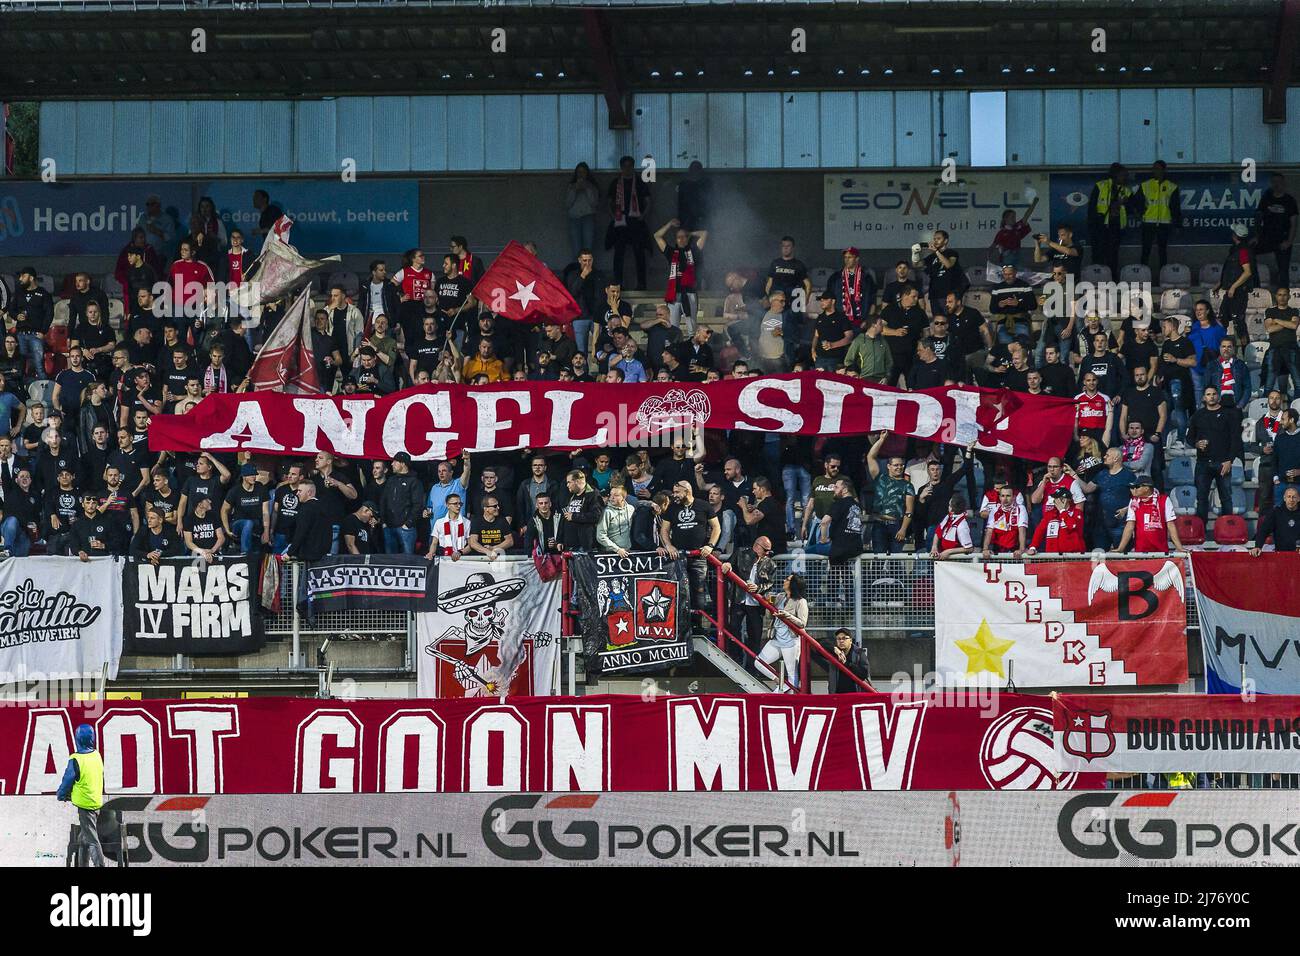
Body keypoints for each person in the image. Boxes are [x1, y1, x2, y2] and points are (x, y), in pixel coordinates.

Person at [659, 479, 720, 616]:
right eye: (673, 492)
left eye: (677, 492)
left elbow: (716, 527)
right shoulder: (672, 508)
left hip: (698, 556)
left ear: (687, 491)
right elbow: (664, 530)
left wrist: (710, 546)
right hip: (678, 557)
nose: (674, 495)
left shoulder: (703, 505)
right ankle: (681, 628)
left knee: (698, 592)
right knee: (678, 591)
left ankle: (697, 627)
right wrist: (669, 546)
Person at [1187, 386, 1243, 522]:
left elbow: (1235, 439)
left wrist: (1230, 460)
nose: (1211, 397)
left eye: (1213, 394)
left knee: (1226, 497)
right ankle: (1201, 531)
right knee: (1201, 498)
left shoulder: (1228, 414)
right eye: (1208, 394)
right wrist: (1196, 443)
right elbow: (1189, 437)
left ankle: (1227, 529)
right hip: (1203, 463)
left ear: (1218, 396)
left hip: (1223, 462)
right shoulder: (1198, 415)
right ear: (1204, 397)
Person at [719, 534, 774, 667]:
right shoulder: (741, 552)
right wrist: (727, 564)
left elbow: (770, 583)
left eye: (769, 551)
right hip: (739, 599)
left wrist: (758, 588)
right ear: (756, 546)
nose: (767, 553)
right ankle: (735, 659)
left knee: (755, 635)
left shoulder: (770, 563)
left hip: (755, 604)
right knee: (734, 629)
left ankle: (752, 666)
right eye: (765, 550)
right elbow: (729, 564)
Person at [56, 723, 106, 867]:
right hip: (96, 802)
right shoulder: (96, 755)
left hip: (85, 806)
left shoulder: (76, 759)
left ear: (77, 739)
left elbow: (67, 780)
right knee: (83, 838)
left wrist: (61, 794)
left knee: (91, 840)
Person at [754, 573, 807, 692]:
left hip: (791, 640)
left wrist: (787, 616)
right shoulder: (780, 596)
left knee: (792, 672)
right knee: (759, 662)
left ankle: (787, 696)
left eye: (787, 579)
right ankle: (780, 682)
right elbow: (770, 617)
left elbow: (802, 623)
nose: (784, 580)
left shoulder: (801, 601)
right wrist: (769, 606)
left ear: (793, 584)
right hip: (776, 638)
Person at [865, 432, 915, 554]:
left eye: (901, 465)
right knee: (878, 558)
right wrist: (882, 439)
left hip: (896, 525)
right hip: (879, 524)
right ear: (888, 466)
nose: (899, 467)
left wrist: (903, 529)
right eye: (896, 465)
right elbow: (870, 457)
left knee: (895, 560)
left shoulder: (907, 485)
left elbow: (909, 510)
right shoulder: (880, 478)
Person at [607, 155, 651, 290]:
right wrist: (613, 216)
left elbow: (648, 201)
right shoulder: (615, 183)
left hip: (636, 221)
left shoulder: (639, 182)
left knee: (639, 252)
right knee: (619, 253)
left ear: (633, 167)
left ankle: (641, 284)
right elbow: (609, 202)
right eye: (624, 166)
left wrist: (643, 216)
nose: (627, 169)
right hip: (620, 222)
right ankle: (618, 283)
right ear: (621, 168)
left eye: (629, 166)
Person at [1212, 223, 1255, 347]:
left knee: (1238, 323)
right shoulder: (1235, 250)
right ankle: (1220, 349)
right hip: (1231, 292)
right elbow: (1231, 272)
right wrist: (1219, 284)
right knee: (1222, 320)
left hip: (1239, 293)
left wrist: (1233, 287)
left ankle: (1246, 351)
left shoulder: (1243, 251)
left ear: (1236, 235)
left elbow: (1247, 272)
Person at [1087, 163, 1133, 278]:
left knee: (1113, 254)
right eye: (1122, 176)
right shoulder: (1101, 186)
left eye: (1125, 176)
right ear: (1115, 175)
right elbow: (1092, 207)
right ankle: (1096, 277)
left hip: (1115, 226)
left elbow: (1132, 209)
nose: (1125, 178)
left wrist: (1127, 203)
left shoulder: (1126, 191)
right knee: (1098, 253)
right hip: (1100, 226)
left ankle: (1112, 278)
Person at [1117, 476, 1183, 553]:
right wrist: (1120, 549)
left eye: (1137, 487)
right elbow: (1129, 526)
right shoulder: (1133, 501)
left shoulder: (1164, 500)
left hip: (1161, 551)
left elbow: (1170, 525)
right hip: (1140, 552)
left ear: (1146, 488)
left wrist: (1179, 547)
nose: (1134, 490)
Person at [1136, 160, 1180, 274]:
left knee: (1162, 251)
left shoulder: (1172, 186)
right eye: (1154, 168)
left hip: (1164, 223)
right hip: (1148, 222)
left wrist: (1177, 224)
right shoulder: (1145, 185)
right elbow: (1137, 202)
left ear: (1164, 170)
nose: (1156, 171)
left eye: (1159, 168)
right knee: (1146, 250)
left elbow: (1175, 206)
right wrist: (1141, 213)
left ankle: (1163, 275)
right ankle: (1142, 275)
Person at [1254, 172, 1298, 284]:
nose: (1276, 185)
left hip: (1282, 239)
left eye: (1279, 182)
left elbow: (1294, 223)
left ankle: (1284, 293)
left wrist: (1289, 241)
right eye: (1274, 182)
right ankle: (1255, 285)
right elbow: (1258, 218)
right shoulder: (1266, 197)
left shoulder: (1289, 201)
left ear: (1283, 183)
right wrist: (1256, 236)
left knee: (1283, 269)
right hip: (1266, 237)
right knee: (1248, 252)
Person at [380, 451, 424, 554]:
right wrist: (383, 522)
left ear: (403, 463)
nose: (392, 464)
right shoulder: (390, 480)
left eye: (395, 462)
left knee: (407, 561)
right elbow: (383, 501)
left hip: (406, 529)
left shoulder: (414, 482)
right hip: (389, 527)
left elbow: (418, 505)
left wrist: (408, 523)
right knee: (390, 561)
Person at [221, 464, 270, 553]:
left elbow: (265, 512)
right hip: (238, 524)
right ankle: (245, 554)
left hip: (256, 524)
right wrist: (227, 529)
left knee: (251, 525)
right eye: (251, 475)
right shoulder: (235, 490)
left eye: (255, 475)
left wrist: (266, 531)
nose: (254, 477)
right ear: (244, 476)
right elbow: (224, 510)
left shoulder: (261, 488)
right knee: (248, 523)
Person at [1027, 488, 1087, 554]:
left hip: (1073, 556)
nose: (1056, 501)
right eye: (1055, 498)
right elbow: (1039, 531)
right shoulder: (1050, 515)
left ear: (1067, 499)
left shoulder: (1076, 513)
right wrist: (1033, 547)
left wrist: (1062, 511)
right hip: (1053, 557)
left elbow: (1072, 526)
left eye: (1059, 498)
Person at [1263, 286, 1299, 397]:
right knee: (1270, 379)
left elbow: (1293, 326)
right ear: (1275, 296)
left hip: (1291, 348)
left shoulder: (1294, 310)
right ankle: (1265, 404)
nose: (1282, 297)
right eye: (1279, 295)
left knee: (1297, 378)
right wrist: (1287, 323)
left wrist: (1277, 320)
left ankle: (1297, 404)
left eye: (1284, 295)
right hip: (1275, 348)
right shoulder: (1270, 311)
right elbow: (1269, 329)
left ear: (1288, 297)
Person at [558, 469, 602, 553]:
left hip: (585, 547)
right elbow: (564, 517)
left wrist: (574, 516)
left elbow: (596, 515)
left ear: (577, 481)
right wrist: (560, 540)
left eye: (569, 482)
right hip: (569, 546)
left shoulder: (593, 494)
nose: (567, 485)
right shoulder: (570, 495)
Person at [566, 162, 600, 261]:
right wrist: (574, 190)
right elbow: (568, 204)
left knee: (588, 249)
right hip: (574, 219)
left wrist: (587, 189)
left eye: (583, 172)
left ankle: (587, 273)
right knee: (576, 249)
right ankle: (577, 272)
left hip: (588, 218)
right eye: (579, 172)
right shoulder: (571, 186)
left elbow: (594, 203)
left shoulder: (592, 186)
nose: (581, 174)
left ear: (587, 174)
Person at [981, 486, 1028, 558]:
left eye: (1008, 496)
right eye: (1003, 496)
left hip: (1015, 548)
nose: (1005, 499)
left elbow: (1022, 530)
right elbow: (989, 531)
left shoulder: (1020, 508)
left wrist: (1021, 549)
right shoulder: (994, 509)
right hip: (998, 549)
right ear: (999, 497)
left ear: (1014, 497)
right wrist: (985, 549)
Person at [1252, 486, 1300, 554]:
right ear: (1284, 498)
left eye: (1294, 497)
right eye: (1289, 497)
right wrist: (1258, 546)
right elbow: (1263, 530)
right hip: (1280, 554)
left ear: (1298, 499)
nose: (1291, 500)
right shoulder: (1276, 512)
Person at [930, 495, 974, 560]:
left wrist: (948, 552)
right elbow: (938, 531)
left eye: (949, 505)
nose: (948, 507)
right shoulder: (949, 516)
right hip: (942, 559)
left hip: (955, 563)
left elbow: (969, 548)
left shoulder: (962, 526)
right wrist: (934, 547)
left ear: (952, 509)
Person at [429, 492, 470, 559]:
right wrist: (431, 553)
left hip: (462, 557)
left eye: (460, 503)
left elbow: (470, 545)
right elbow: (434, 543)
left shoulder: (467, 522)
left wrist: (460, 553)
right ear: (447, 505)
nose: (459, 506)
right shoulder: (439, 522)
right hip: (444, 557)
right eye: (455, 504)